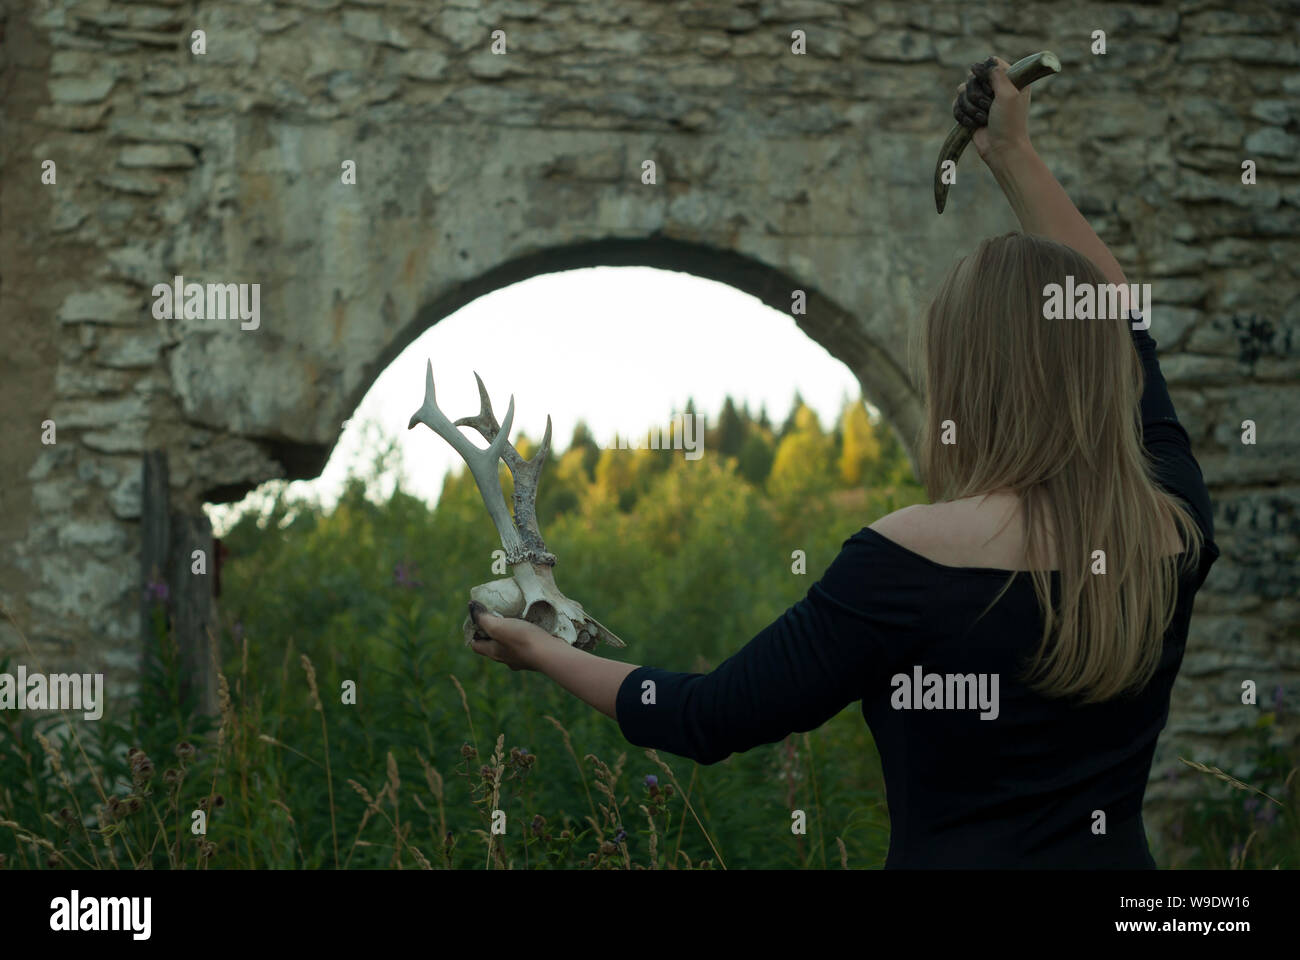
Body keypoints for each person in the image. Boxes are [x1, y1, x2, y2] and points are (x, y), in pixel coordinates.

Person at [466, 56, 1219, 868]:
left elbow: (709, 717)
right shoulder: (1171, 528)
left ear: (967, 376)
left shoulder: (907, 560)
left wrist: (543, 650)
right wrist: (1012, 153)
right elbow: (1123, 325)